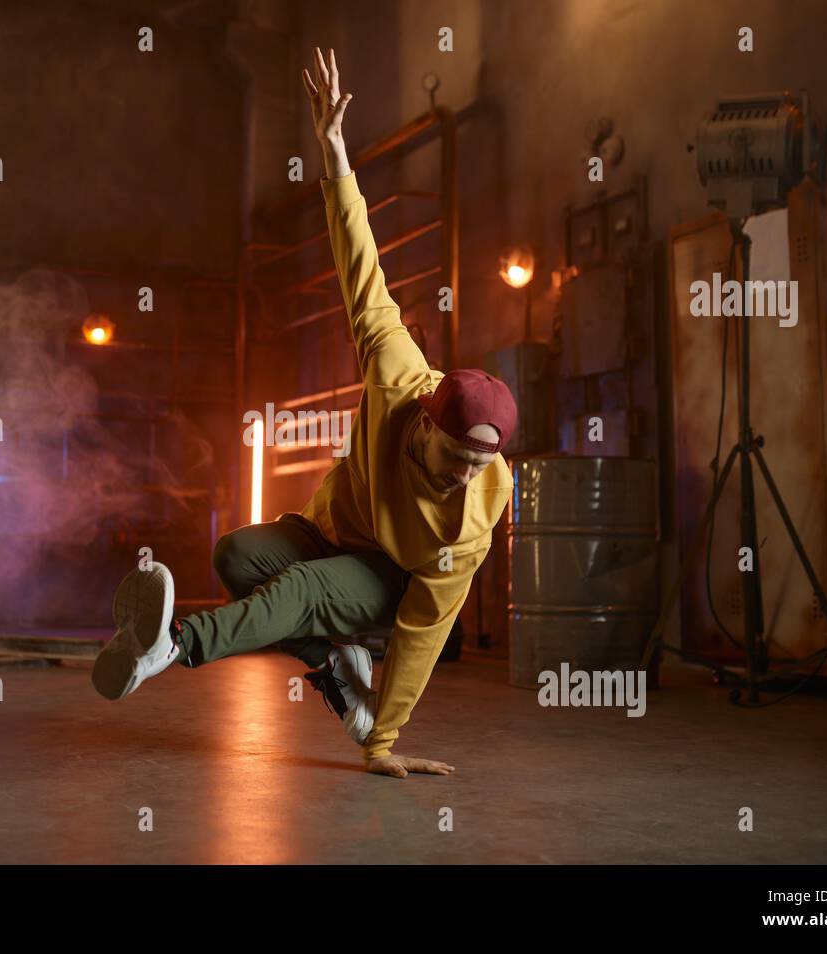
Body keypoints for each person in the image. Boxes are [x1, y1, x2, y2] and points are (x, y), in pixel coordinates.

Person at [92, 47, 516, 780]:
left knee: (304, 592)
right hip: (327, 534)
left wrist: (381, 736)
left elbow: (426, 626)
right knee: (237, 556)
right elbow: (362, 267)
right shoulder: (396, 372)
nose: (466, 475)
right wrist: (333, 149)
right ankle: (329, 667)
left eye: (482, 463)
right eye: (458, 457)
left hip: (387, 583)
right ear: (425, 423)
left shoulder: (475, 513)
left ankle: (170, 648)